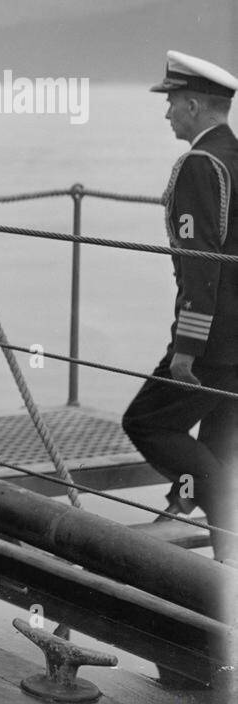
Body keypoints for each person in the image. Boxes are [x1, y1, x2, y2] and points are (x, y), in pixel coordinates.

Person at [122, 51, 238, 563]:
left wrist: (187, 348)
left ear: (193, 105)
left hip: (214, 338)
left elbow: (200, 264)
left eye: (171, 103)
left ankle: (215, 503)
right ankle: (226, 568)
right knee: (222, 445)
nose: (166, 113)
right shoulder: (234, 155)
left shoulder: (199, 164)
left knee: (148, 422)